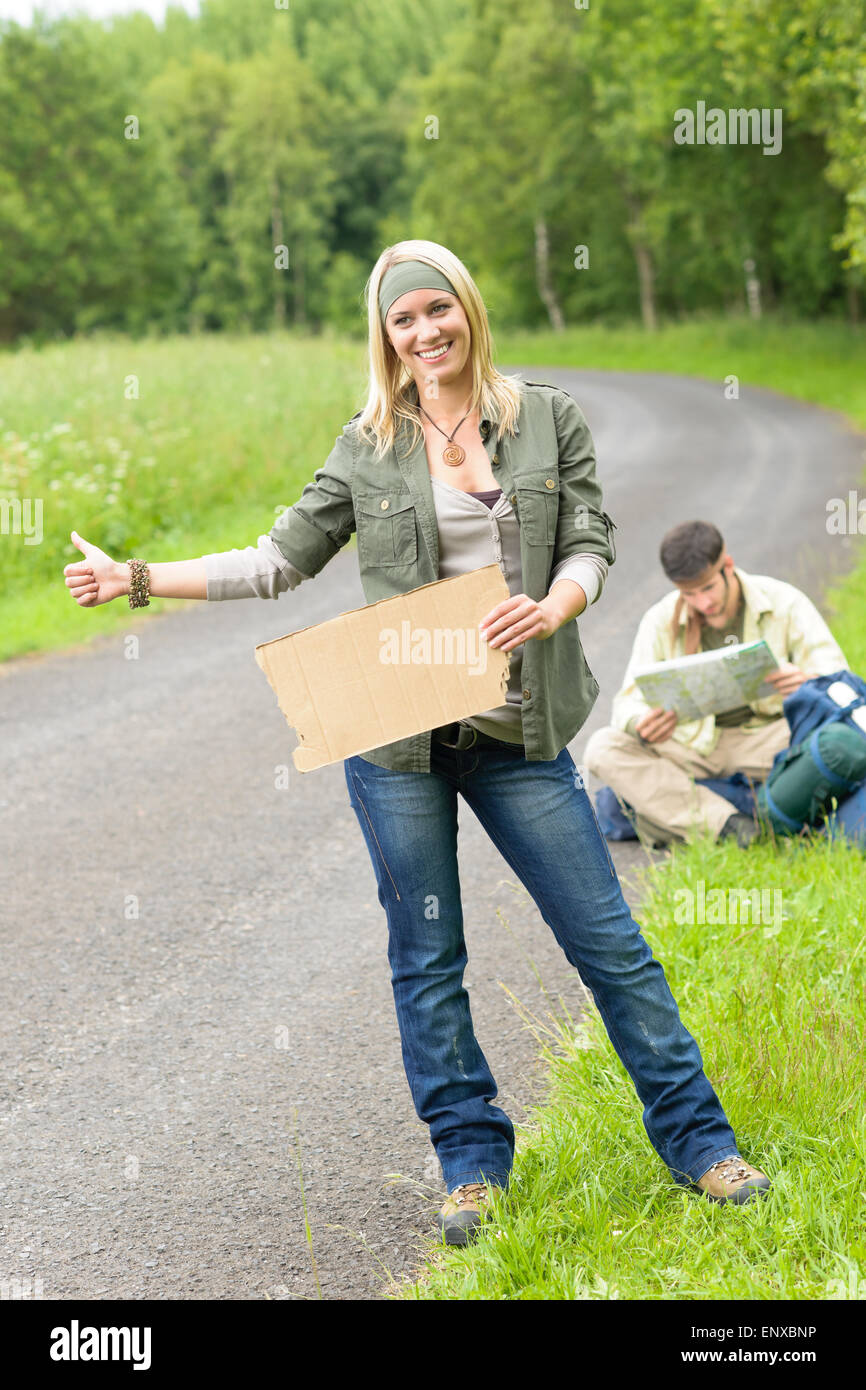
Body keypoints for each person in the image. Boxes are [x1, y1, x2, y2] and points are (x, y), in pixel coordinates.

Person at [63, 239, 772, 1246]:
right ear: (384, 335)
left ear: (467, 312)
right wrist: (136, 576)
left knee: (605, 942)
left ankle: (701, 1144)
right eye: (403, 319)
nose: (424, 331)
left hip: (517, 731)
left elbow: (591, 541)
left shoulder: (545, 417)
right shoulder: (366, 444)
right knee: (426, 955)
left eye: (437, 310)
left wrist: (553, 603)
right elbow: (274, 562)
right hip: (395, 735)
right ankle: (471, 1163)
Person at [585, 521, 848, 849]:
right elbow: (627, 703)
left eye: (708, 588)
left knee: (839, 743)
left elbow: (839, 679)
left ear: (728, 566)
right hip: (694, 743)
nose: (702, 603)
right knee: (603, 748)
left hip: (771, 739)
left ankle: (671, 811)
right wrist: (642, 723)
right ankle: (730, 826)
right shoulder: (660, 619)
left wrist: (807, 682)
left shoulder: (784, 601)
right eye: (689, 594)